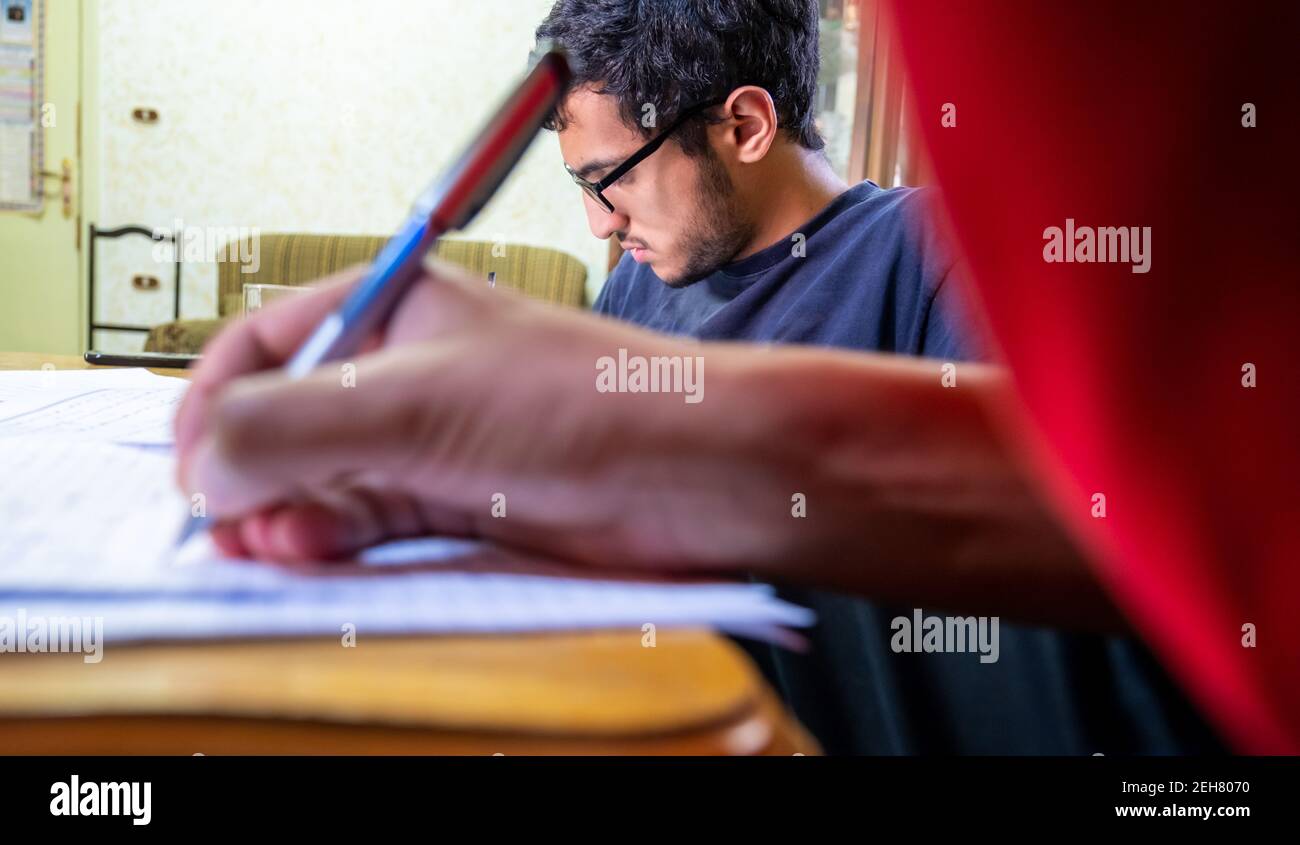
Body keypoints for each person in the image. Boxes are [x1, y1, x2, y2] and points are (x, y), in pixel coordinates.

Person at [175, 0, 1227, 754]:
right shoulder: (641, 284)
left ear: (746, 124)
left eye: (606, 180)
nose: (596, 222)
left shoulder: (929, 251)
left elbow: (1097, 544)